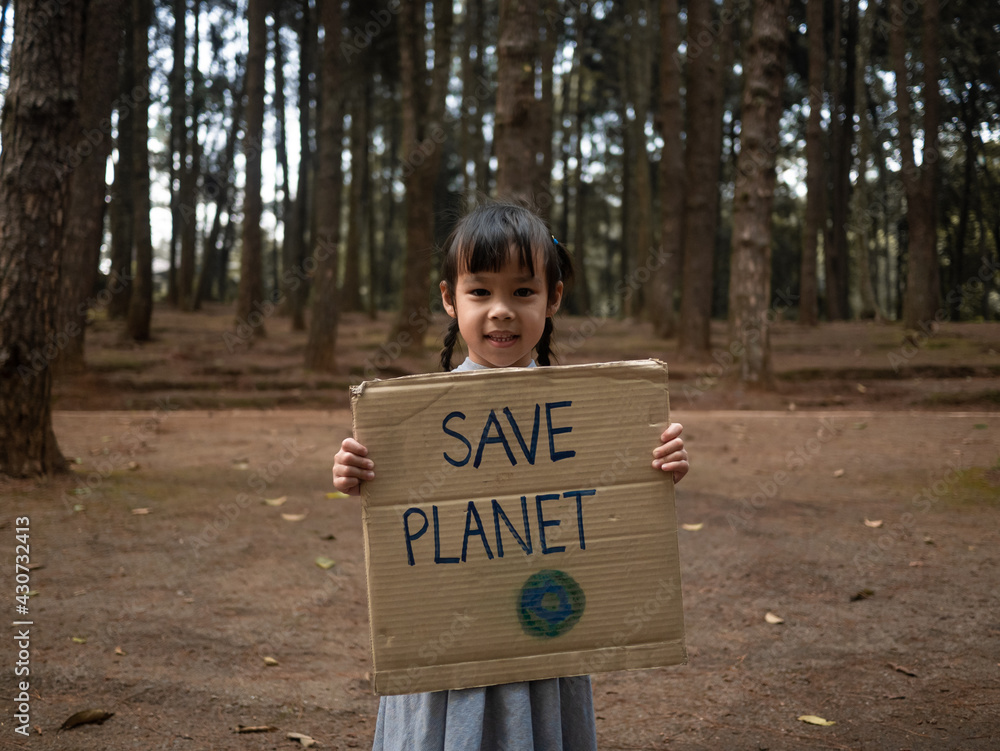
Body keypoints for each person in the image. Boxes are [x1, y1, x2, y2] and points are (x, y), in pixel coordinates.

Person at [333, 200, 690, 751]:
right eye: (481, 292)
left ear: (554, 299)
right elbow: (385, 495)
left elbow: (619, 498)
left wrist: (660, 464)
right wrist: (354, 471)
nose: (501, 310)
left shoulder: (587, 416)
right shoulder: (415, 417)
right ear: (450, 299)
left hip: (544, 639)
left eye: (523, 292)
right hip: (446, 655)